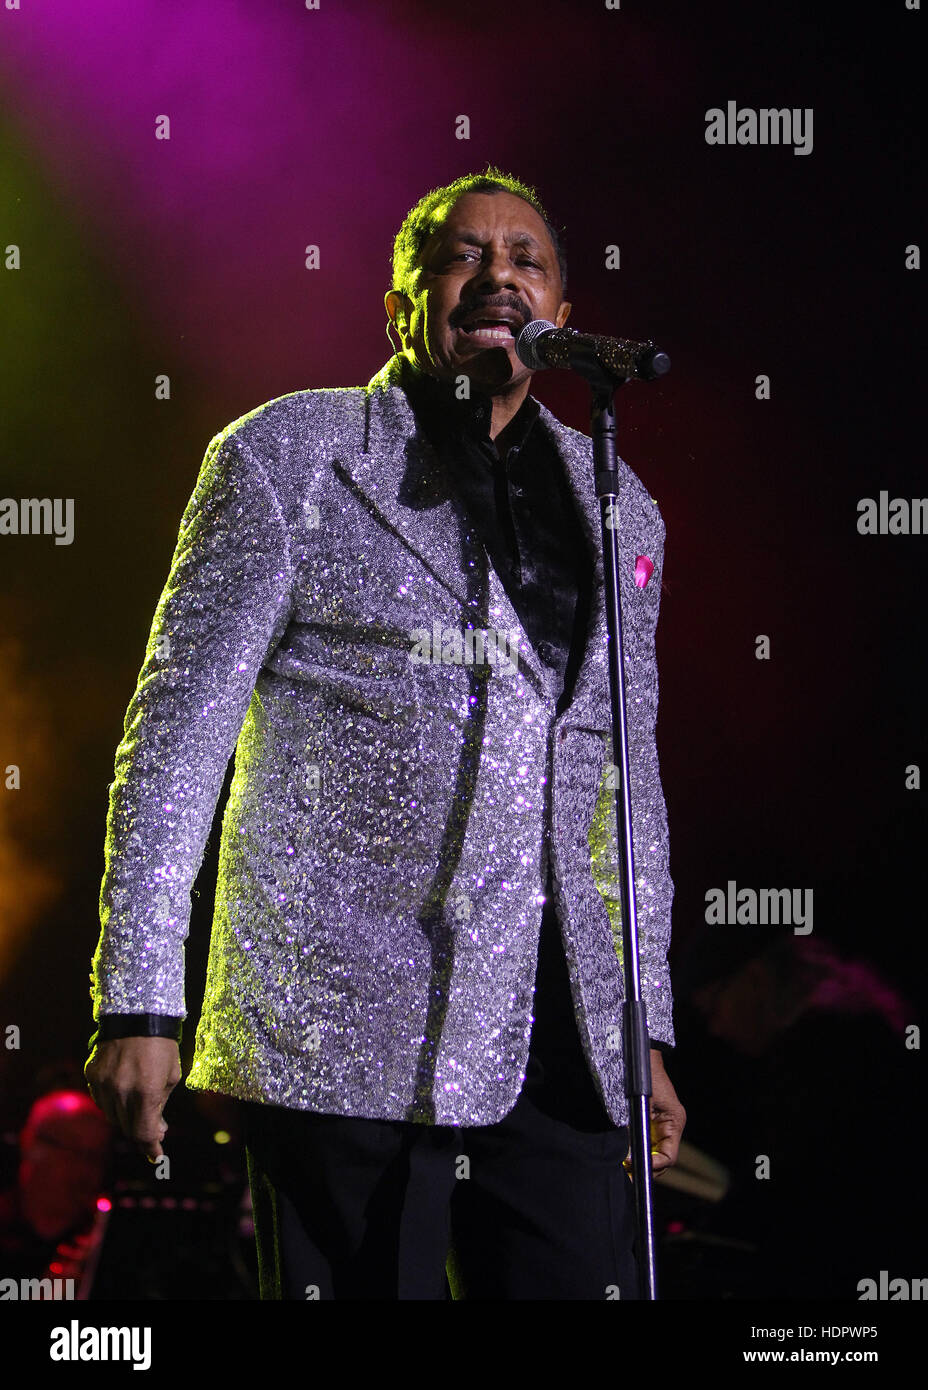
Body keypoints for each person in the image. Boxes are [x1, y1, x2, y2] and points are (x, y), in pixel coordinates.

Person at [85, 167, 685, 1299]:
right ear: (400, 303)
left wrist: (638, 1023)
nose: (498, 274)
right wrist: (139, 1000)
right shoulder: (290, 455)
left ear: (561, 303)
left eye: (526, 258)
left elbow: (624, 782)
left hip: (554, 1044)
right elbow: (174, 738)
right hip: (341, 1037)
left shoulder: (621, 503)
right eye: (464, 256)